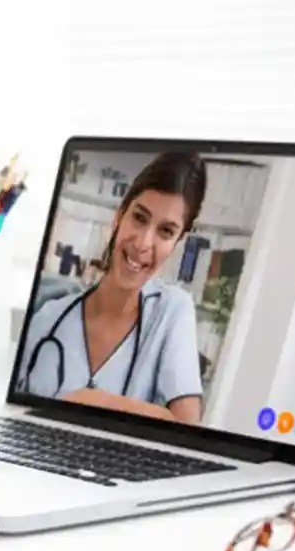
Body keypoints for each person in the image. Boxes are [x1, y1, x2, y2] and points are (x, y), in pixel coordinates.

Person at [16, 152, 207, 424]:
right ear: (119, 217)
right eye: (139, 218)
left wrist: (94, 401)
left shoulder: (171, 311)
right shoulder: (48, 318)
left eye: (166, 231)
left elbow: (187, 426)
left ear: (177, 242)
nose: (143, 243)